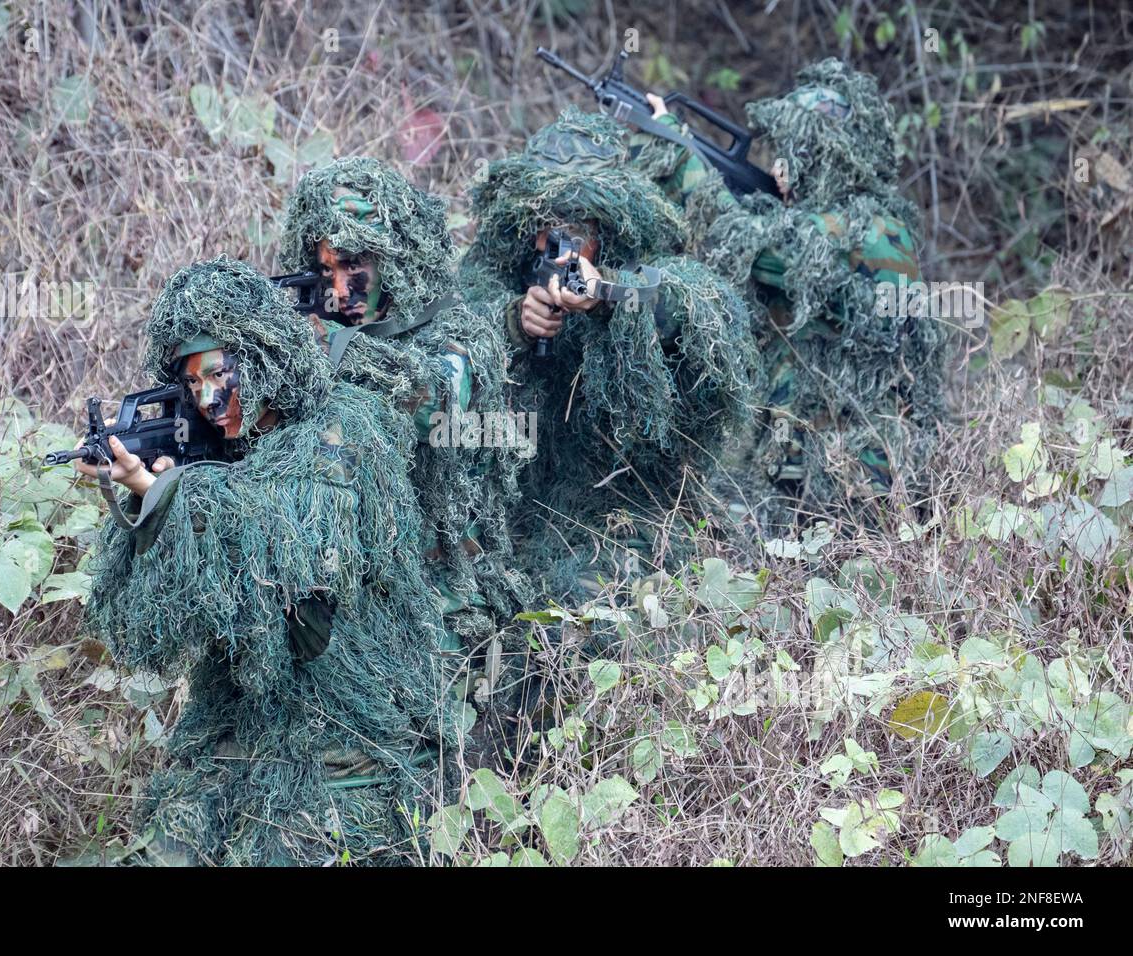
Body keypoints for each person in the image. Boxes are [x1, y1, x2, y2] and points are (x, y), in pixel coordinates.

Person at [78, 256, 454, 865]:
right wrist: (150, 508)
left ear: (263, 358)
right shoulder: (225, 455)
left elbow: (293, 550)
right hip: (245, 717)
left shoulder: (340, 430)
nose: (208, 399)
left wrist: (167, 495)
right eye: (192, 384)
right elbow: (153, 629)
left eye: (219, 374)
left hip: (349, 729)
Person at [628, 59, 946, 525]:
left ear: (827, 155)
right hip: (797, 452)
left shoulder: (867, 230)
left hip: (852, 476)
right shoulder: (836, 221)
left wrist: (677, 148)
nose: (778, 170)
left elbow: (744, 245)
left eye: (795, 153)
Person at [459, 108, 758, 598]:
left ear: (610, 225)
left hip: (623, 507)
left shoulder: (644, 267)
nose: (553, 244)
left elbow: (698, 307)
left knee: (583, 608)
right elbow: (453, 328)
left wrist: (608, 298)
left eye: (573, 230)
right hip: (514, 503)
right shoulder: (500, 266)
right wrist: (514, 321)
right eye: (542, 224)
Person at [279, 157, 532, 691]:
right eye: (325, 270)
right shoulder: (316, 336)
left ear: (392, 260)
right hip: (350, 589)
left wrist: (334, 347)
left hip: (443, 595)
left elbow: (435, 403)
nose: (339, 287)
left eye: (354, 266)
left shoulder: (455, 336)